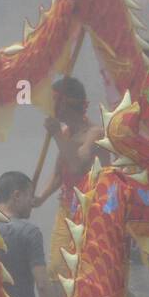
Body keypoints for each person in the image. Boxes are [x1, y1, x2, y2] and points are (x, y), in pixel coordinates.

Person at [35, 77, 107, 286]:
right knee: (57, 269)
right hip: (66, 208)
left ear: (65, 104)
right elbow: (60, 173)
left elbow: (77, 165)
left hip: (92, 211)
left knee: (90, 271)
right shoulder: (67, 133)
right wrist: (41, 197)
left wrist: (56, 134)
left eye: (55, 103)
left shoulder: (95, 133)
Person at [0, 171, 55, 297]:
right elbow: (42, 284)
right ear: (17, 195)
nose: (32, 202)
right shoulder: (29, 232)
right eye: (29, 195)